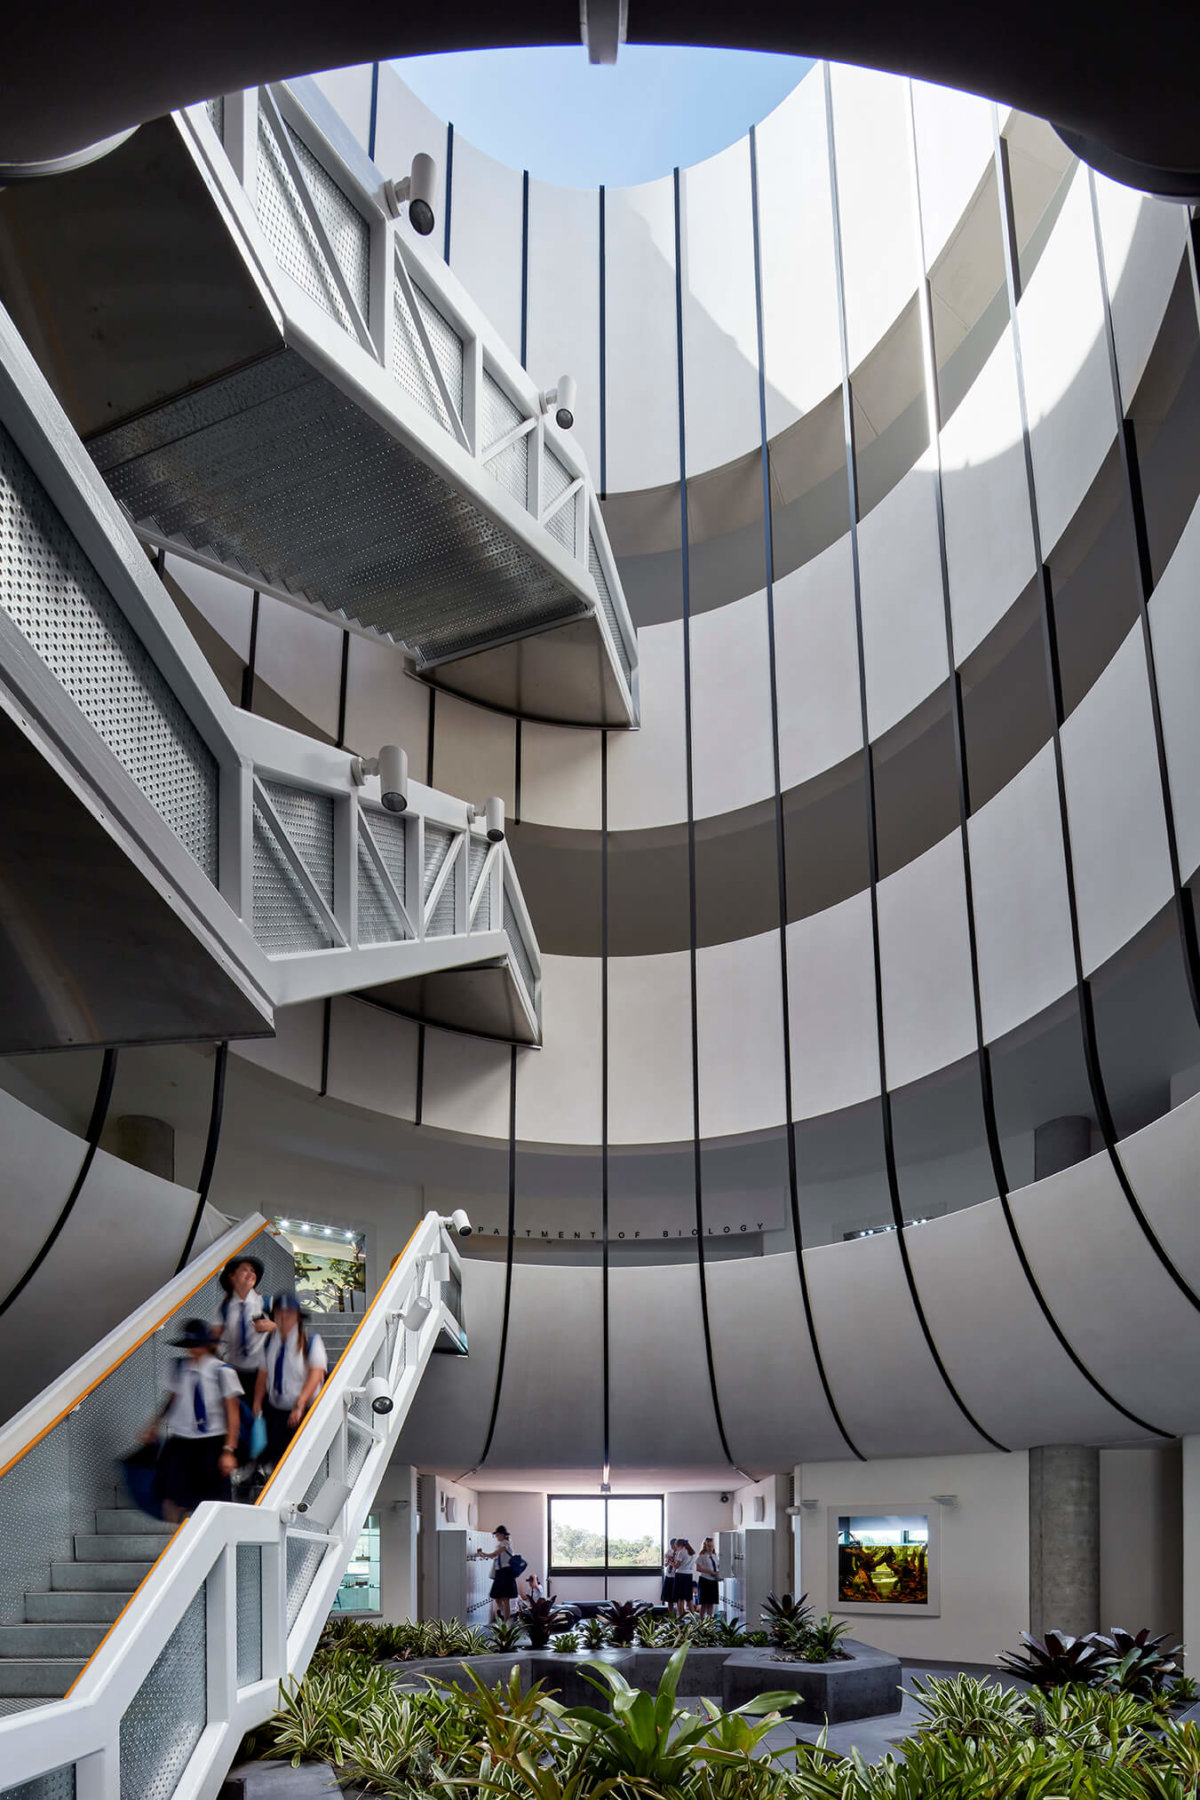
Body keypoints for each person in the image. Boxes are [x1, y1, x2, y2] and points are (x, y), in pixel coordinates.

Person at [141, 1319, 241, 1523]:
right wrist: (155, 1424)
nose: (194, 1350)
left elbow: (233, 1413)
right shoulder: (178, 1367)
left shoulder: (222, 1371)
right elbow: (172, 1399)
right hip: (182, 1439)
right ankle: (175, 1543)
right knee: (172, 1495)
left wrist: (229, 1450)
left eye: (198, 1345)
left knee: (215, 1499)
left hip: (212, 1440)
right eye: (190, 1346)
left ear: (207, 1345)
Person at [258, 1292, 327, 1468]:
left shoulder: (310, 1341)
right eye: (280, 1312)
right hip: (277, 1410)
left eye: (289, 1313)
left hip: (303, 1410)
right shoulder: (269, 1342)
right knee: (277, 1456)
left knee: (299, 1458)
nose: (284, 1316)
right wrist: (257, 1403)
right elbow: (263, 1373)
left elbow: (316, 1374)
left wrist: (300, 1404)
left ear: (297, 1316)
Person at [213, 1253, 274, 1408]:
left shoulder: (267, 1303)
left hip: (264, 1373)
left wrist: (274, 1326)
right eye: (245, 1270)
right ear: (232, 1277)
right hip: (234, 1373)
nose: (251, 1274)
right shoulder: (224, 1308)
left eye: (253, 1271)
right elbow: (213, 1339)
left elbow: (294, 1332)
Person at [474, 1526, 520, 1620]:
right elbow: (493, 1557)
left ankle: (507, 1621)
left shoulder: (505, 1544)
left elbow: (494, 1554)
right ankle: (506, 1616)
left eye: (497, 1535)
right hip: (500, 1573)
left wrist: (483, 1554)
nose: (496, 1537)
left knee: (505, 1598)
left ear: (502, 1534)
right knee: (497, 1598)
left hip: (506, 1573)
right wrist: (482, 1554)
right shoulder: (500, 1545)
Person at [696, 1536, 720, 1617]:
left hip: (713, 1581)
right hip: (705, 1580)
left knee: (711, 1603)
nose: (710, 1548)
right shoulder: (702, 1556)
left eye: (712, 1546)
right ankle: (701, 1621)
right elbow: (698, 1568)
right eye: (709, 1546)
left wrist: (718, 1572)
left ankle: (709, 1622)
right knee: (704, 1603)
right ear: (705, 1546)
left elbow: (718, 1566)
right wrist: (709, 1571)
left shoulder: (715, 1556)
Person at [673, 1539, 697, 1616]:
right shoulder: (693, 1553)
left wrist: (671, 1563)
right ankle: (693, 1616)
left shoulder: (681, 1552)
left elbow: (677, 1566)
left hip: (680, 1575)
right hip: (689, 1575)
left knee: (680, 1598)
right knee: (689, 1598)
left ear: (679, 1545)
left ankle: (681, 1617)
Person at [661, 1538, 679, 1608]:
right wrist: (668, 1560)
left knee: (678, 1599)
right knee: (669, 1599)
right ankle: (671, 1616)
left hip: (676, 1576)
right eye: (671, 1545)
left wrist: (673, 1561)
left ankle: (679, 1615)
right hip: (668, 1576)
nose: (673, 1547)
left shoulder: (680, 1553)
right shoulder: (668, 1552)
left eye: (674, 1545)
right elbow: (665, 1564)